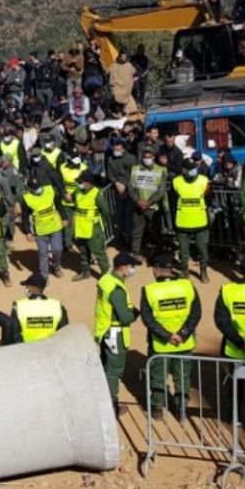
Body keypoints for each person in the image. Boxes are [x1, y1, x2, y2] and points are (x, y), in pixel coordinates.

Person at [141, 253, 201, 419]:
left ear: (155, 270)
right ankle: (181, 410)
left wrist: (167, 336)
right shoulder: (187, 286)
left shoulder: (149, 290)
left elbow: (147, 318)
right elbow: (196, 313)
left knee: (158, 377)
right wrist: (183, 333)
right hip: (184, 343)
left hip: (160, 345)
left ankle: (156, 409)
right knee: (183, 378)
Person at [95, 253, 141, 411]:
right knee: (114, 371)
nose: (133, 269)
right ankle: (110, 406)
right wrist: (134, 314)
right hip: (115, 333)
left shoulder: (106, 279)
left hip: (104, 330)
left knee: (106, 366)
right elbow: (125, 317)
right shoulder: (116, 289)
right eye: (131, 266)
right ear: (123, 267)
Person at [21, 175, 68, 280]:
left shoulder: (50, 190)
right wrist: (27, 232)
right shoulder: (27, 199)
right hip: (40, 230)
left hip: (55, 226)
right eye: (35, 188)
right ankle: (44, 275)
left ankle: (56, 266)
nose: (38, 190)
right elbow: (24, 216)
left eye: (39, 187)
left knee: (58, 249)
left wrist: (64, 217)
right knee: (43, 254)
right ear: (30, 189)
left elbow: (58, 204)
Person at [172, 158, 211, 283]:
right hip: (182, 221)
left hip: (201, 221)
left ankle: (203, 271)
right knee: (183, 249)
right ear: (183, 169)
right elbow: (173, 200)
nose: (192, 170)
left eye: (193, 167)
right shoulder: (176, 181)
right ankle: (185, 271)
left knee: (202, 248)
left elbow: (209, 199)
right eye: (189, 168)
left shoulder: (204, 181)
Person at [70, 171, 111, 281]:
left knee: (99, 252)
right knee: (83, 251)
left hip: (94, 228)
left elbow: (105, 211)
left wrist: (101, 223)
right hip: (80, 227)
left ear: (89, 183)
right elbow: (73, 199)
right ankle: (85, 272)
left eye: (81, 182)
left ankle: (106, 276)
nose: (79, 184)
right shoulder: (78, 191)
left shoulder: (97, 194)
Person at [128, 147, 169, 259]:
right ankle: (135, 253)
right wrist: (138, 201)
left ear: (153, 157)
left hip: (153, 207)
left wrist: (148, 202)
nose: (147, 159)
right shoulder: (135, 169)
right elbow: (130, 187)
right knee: (137, 231)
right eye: (145, 156)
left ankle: (158, 254)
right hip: (138, 205)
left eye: (149, 157)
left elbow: (161, 190)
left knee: (156, 232)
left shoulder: (161, 170)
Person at [10, 273, 68, 344]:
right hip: (51, 350)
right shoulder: (57, 306)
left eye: (27, 286)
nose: (27, 288)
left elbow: (14, 333)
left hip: (26, 350)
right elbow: (65, 332)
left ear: (33, 287)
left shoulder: (18, 306)